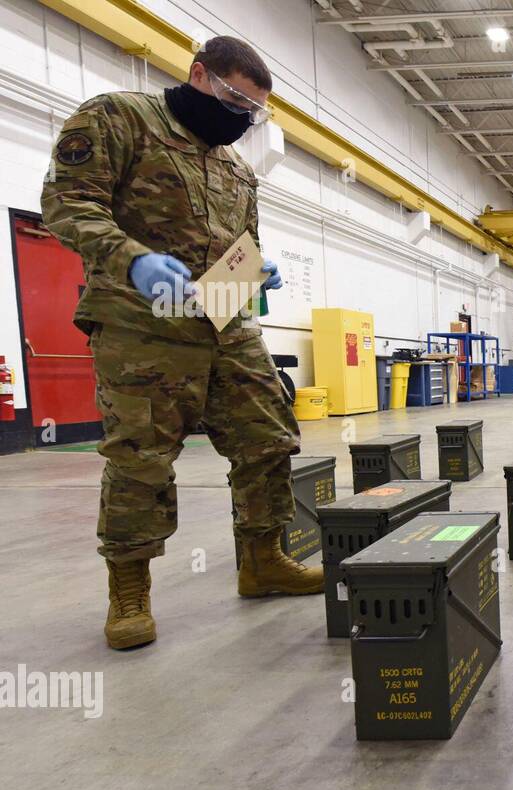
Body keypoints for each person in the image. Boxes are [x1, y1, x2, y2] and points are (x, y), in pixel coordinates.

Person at [41, 36, 323, 652]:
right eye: (233, 100)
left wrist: (255, 269)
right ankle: (129, 590)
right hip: (141, 323)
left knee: (267, 438)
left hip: (223, 319)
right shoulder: (119, 119)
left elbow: (237, 244)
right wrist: (133, 259)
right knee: (140, 457)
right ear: (198, 74)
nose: (240, 118)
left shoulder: (237, 169)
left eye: (252, 112)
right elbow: (67, 205)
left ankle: (262, 559)